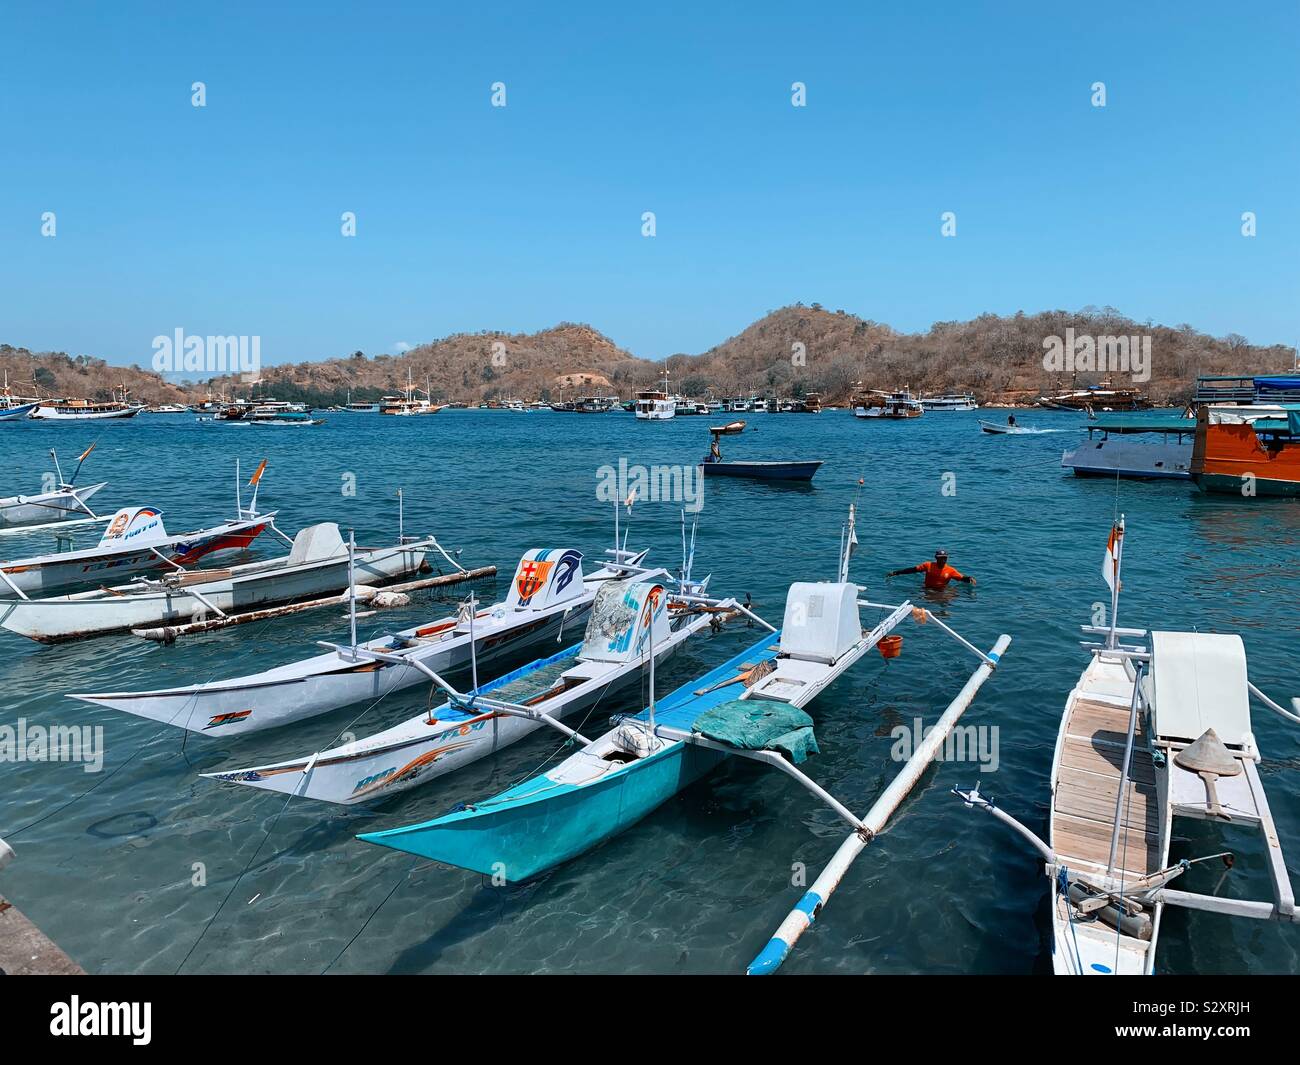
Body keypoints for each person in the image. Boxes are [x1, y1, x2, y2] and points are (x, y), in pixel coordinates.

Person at [886, 550, 976, 589]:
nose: (943, 560)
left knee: (948, 598)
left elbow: (961, 578)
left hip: (942, 589)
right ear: (936, 558)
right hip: (927, 588)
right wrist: (896, 572)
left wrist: (969, 578)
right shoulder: (928, 565)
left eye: (945, 558)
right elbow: (913, 570)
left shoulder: (951, 570)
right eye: (941, 558)